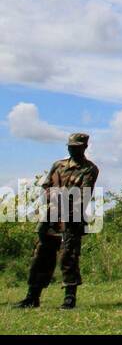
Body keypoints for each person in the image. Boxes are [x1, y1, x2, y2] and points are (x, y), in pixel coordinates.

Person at [14, 132, 99, 310]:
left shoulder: (90, 169)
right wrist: (52, 197)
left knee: (69, 256)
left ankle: (69, 297)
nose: (72, 149)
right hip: (51, 217)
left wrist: (57, 196)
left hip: (72, 218)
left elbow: (81, 196)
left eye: (76, 147)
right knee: (41, 255)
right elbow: (46, 187)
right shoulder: (58, 165)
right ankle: (32, 296)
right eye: (70, 146)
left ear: (84, 147)